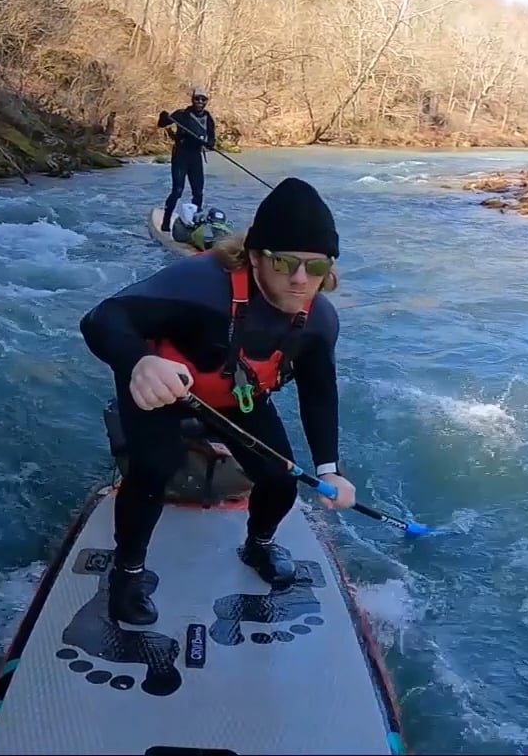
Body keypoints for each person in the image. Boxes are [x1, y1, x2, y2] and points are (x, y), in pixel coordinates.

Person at [80, 177, 355, 626]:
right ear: (255, 256)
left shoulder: (319, 320)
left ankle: (259, 544)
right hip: (161, 386)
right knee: (153, 470)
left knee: (280, 479)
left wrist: (329, 468)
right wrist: (138, 362)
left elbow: (319, 389)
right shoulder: (199, 285)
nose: (300, 279)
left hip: (236, 396)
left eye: (316, 266)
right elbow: (101, 318)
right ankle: (126, 573)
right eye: (284, 262)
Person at [157, 87, 216, 232]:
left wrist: (210, 144)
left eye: (203, 99)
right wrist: (163, 117)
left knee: (198, 193)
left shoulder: (208, 118)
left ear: (206, 101)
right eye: (197, 99)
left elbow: (211, 137)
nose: (200, 102)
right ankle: (166, 222)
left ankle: (196, 225)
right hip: (181, 155)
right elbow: (162, 124)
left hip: (196, 156)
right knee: (178, 190)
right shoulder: (181, 114)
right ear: (192, 99)